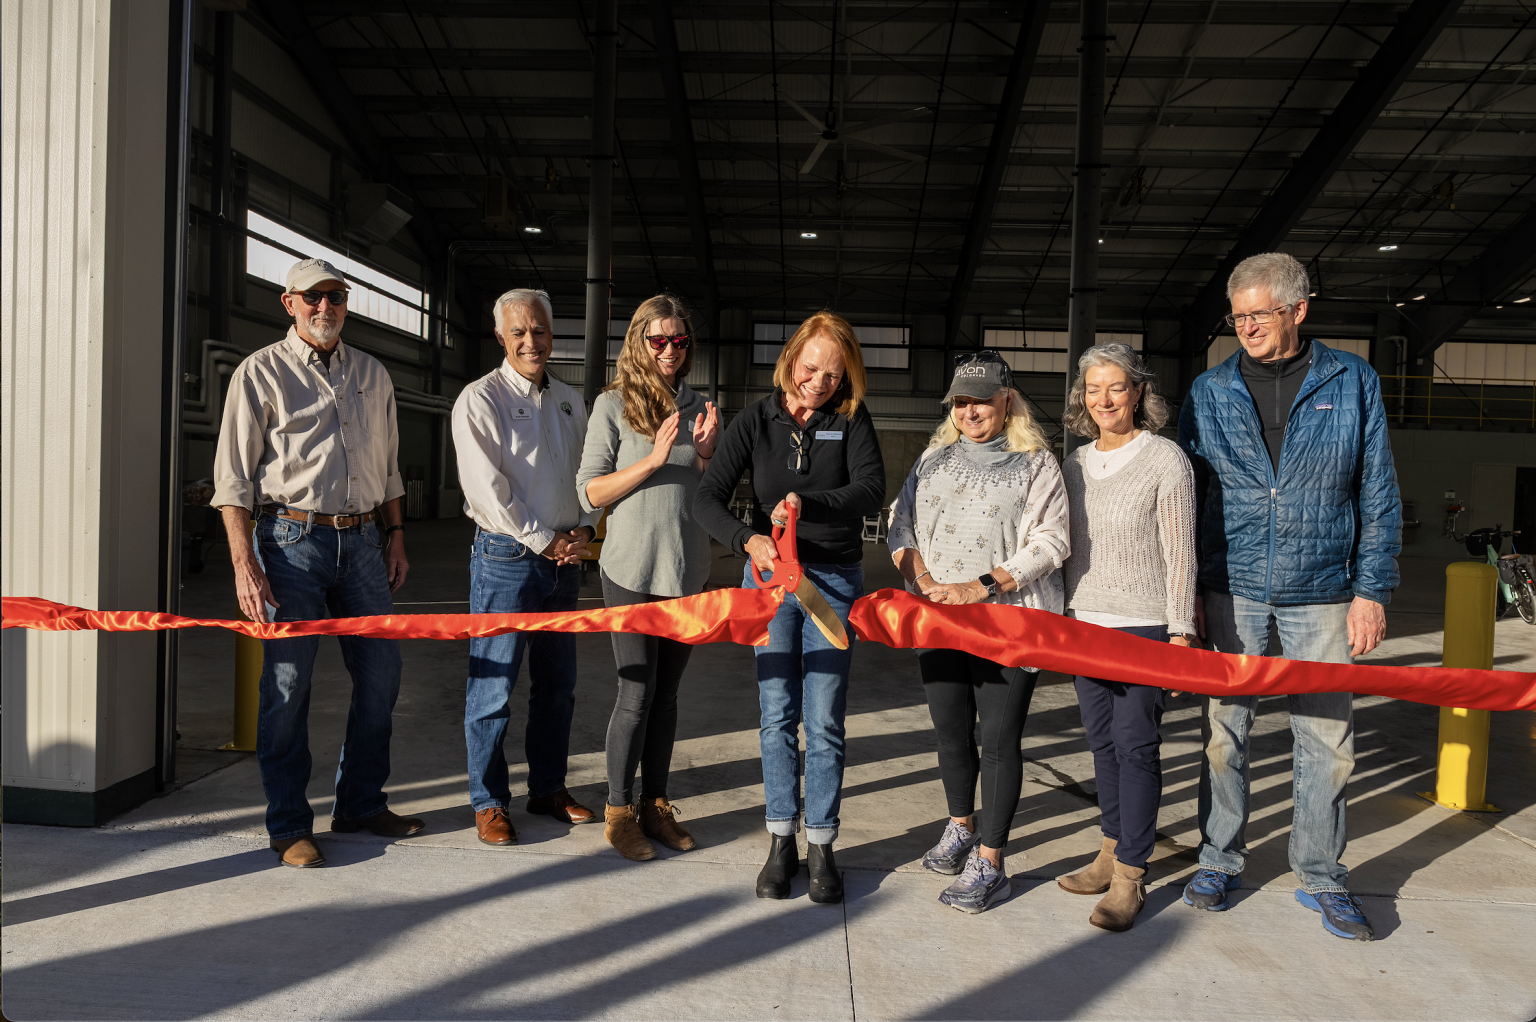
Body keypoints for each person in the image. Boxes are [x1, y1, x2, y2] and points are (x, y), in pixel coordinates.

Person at [1178, 251, 1402, 941]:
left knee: (1327, 739)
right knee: (1224, 735)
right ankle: (1218, 858)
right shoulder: (1209, 391)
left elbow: (1379, 490)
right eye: (1237, 315)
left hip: (1325, 588)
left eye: (1258, 314)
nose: (1245, 327)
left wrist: (1372, 590)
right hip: (1231, 584)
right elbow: (1185, 496)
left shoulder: (1352, 380)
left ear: (1298, 310)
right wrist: (1185, 589)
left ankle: (1322, 873)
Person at [212, 257, 423, 869]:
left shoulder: (372, 374)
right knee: (287, 686)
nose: (325, 307)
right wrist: (244, 564)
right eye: (313, 298)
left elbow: (388, 470)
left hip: (362, 545)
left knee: (382, 677)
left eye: (336, 296)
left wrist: (398, 538)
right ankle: (288, 826)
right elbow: (232, 483)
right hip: (288, 544)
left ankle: (359, 803)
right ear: (290, 303)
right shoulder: (260, 375)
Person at [693, 311, 885, 904]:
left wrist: (810, 502)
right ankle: (781, 839)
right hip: (770, 584)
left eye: (833, 372)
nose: (819, 382)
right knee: (776, 713)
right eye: (810, 368)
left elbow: (872, 488)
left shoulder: (850, 419)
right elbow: (707, 498)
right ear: (790, 359)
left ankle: (823, 843)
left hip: (832, 581)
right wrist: (745, 540)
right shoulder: (755, 419)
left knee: (823, 718)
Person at [887, 351, 1069, 915]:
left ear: (1006, 400)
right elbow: (901, 522)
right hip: (940, 619)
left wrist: (983, 585)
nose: (970, 411)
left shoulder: (1037, 463)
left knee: (996, 742)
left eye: (981, 400)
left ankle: (990, 862)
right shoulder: (934, 460)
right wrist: (921, 577)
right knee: (949, 734)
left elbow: (1053, 541)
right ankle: (961, 826)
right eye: (961, 401)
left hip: (1007, 623)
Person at [1056, 343, 1196, 931]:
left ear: (1139, 392)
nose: (1104, 399)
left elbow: (1180, 549)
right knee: (1102, 745)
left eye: (1115, 387)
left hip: (1143, 624)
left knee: (1137, 745)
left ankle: (1132, 874)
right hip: (1085, 622)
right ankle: (1110, 848)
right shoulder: (1074, 464)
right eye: (1093, 389)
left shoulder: (1166, 459)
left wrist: (1182, 631)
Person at [576, 294, 720, 861]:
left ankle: (656, 805)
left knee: (667, 696)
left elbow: (707, 498)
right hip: (631, 569)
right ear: (638, 341)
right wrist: (653, 460)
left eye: (678, 340)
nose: (668, 350)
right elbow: (589, 491)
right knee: (636, 693)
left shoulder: (701, 406)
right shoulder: (613, 405)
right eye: (656, 340)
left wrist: (706, 459)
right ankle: (618, 811)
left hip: (686, 570)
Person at [452, 288, 598, 847]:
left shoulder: (567, 399)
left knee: (557, 685)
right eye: (519, 333)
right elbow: (488, 491)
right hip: (507, 559)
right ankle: (489, 802)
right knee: (493, 686)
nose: (530, 341)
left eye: (538, 330)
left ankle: (548, 788)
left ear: (551, 333)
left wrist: (586, 526)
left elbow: (589, 469)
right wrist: (545, 540)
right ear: (501, 337)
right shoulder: (479, 399)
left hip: (565, 560)